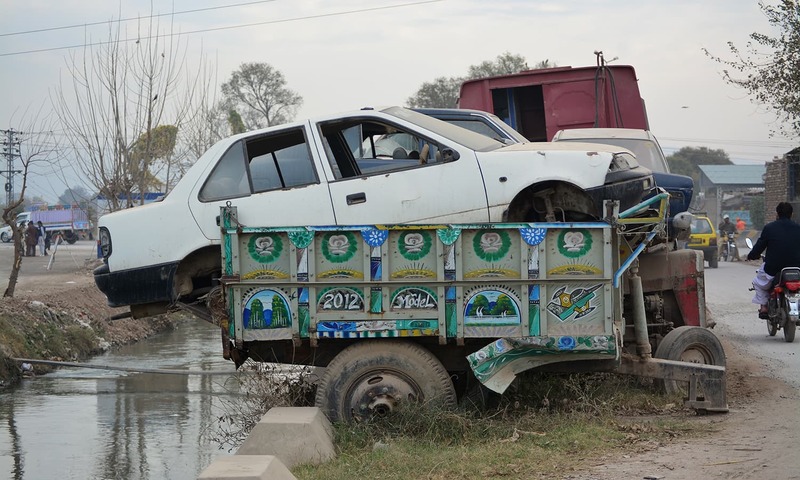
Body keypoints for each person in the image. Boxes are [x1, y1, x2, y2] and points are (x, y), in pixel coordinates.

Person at [747, 202, 800, 318]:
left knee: (758, 283)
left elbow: (760, 246)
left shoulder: (769, 228)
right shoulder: (798, 228)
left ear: (777, 214)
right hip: (797, 269)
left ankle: (764, 307)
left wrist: (751, 255)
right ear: (791, 214)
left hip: (773, 269)